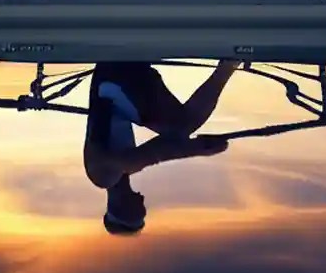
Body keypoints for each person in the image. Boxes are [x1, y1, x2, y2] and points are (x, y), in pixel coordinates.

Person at [83, 60, 239, 234]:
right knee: (180, 128)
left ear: (121, 207)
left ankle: (227, 67)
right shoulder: (118, 171)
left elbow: (146, 155)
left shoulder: (102, 176)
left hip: (112, 81)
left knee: (181, 127)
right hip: (115, 88)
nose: (143, 199)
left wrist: (196, 148)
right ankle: (226, 68)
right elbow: (145, 155)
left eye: (139, 208)